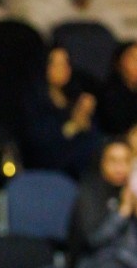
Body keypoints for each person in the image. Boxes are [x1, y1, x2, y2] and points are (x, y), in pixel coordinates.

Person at [67, 140, 137, 268]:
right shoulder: (89, 194)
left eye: (126, 161)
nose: (120, 167)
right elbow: (93, 241)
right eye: (113, 161)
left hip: (135, 264)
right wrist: (122, 212)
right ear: (101, 163)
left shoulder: (133, 193)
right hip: (98, 264)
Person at [20, 45, 100, 179]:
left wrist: (85, 117)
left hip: (82, 165)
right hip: (47, 168)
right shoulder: (32, 99)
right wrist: (72, 126)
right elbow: (37, 141)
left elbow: (92, 133)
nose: (63, 69)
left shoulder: (76, 95)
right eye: (56, 64)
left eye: (66, 63)